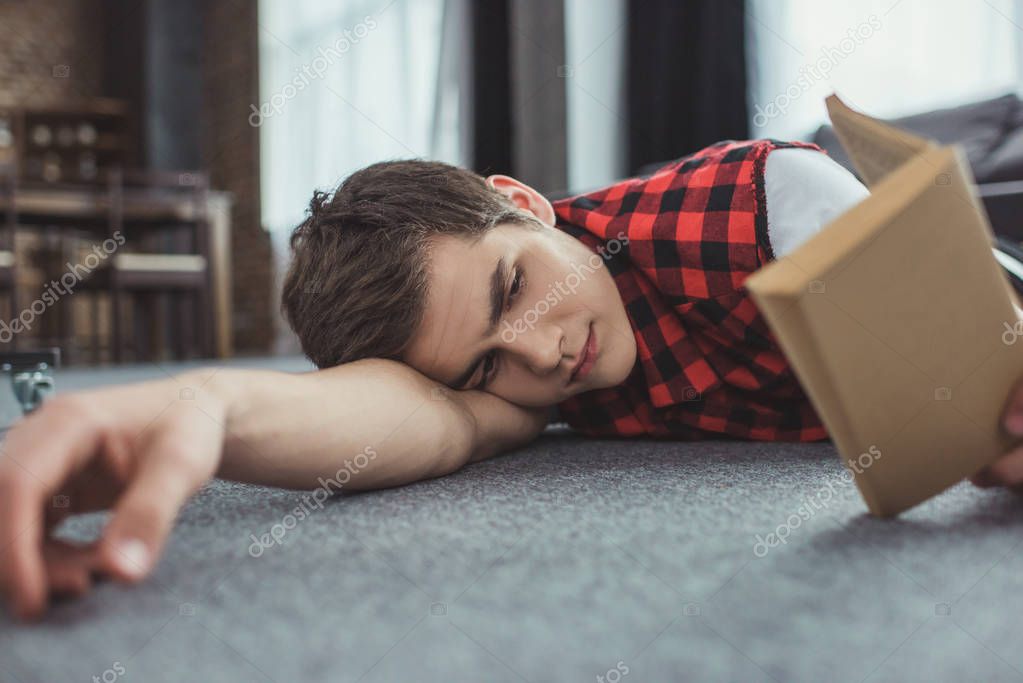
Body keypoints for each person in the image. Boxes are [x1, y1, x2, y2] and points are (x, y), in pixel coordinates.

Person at [2, 139, 1023, 622]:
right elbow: (424, 416)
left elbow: (978, 334)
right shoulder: (517, 380)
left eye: (514, 286)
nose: (538, 356)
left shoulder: (764, 202)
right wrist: (208, 404)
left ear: (526, 203)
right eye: (486, 363)